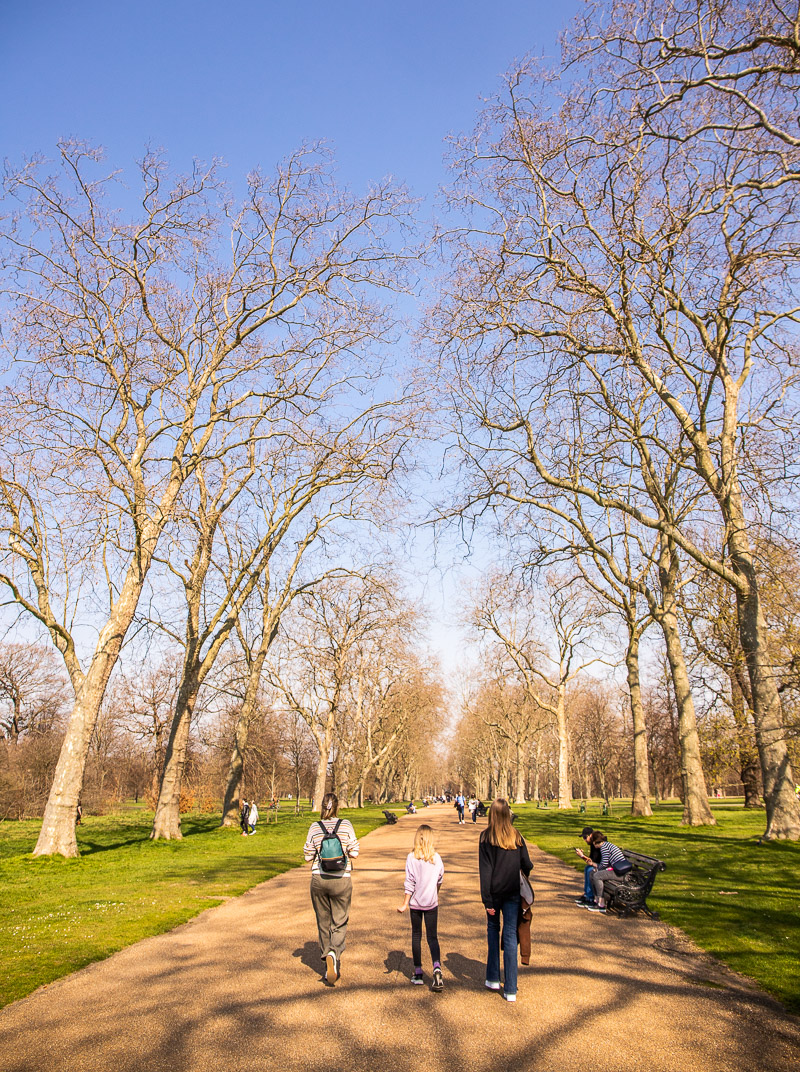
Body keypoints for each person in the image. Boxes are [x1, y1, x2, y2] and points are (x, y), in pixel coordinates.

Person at [479, 798, 532, 1002]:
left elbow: (485, 872)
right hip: (511, 893)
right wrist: (518, 874)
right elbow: (527, 864)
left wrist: (487, 901)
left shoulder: (485, 837)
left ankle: (493, 978)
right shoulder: (516, 836)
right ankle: (511, 988)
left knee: (493, 932)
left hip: (494, 894)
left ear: (492, 814)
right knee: (510, 937)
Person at [303, 792, 360, 985]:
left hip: (319, 879)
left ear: (322, 807)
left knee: (323, 921)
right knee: (340, 919)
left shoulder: (314, 827)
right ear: (337, 807)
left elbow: (307, 856)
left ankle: (327, 953)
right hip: (341, 878)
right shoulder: (345, 825)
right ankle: (334, 953)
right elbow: (355, 852)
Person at [397, 823, 445, 991]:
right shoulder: (437, 858)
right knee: (433, 937)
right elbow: (440, 879)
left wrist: (404, 903)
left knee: (416, 936)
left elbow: (410, 882)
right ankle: (437, 968)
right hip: (431, 903)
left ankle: (418, 972)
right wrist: (435, 893)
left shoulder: (411, 858)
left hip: (416, 904)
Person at [584, 830, 627, 913]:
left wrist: (596, 867)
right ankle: (596, 900)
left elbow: (604, 864)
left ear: (595, 842)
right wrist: (593, 864)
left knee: (597, 875)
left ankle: (601, 904)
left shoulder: (604, 848)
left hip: (619, 873)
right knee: (592, 873)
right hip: (616, 870)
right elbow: (605, 865)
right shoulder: (605, 845)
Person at [573, 826, 602, 906]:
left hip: (603, 866)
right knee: (587, 868)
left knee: (590, 870)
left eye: (585, 837)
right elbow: (590, 861)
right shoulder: (592, 844)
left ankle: (590, 897)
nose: (585, 840)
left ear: (591, 835)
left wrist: (582, 856)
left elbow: (593, 861)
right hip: (598, 865)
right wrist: (582, 856)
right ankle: (587, 894)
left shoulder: (596, 844)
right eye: (583, 838)